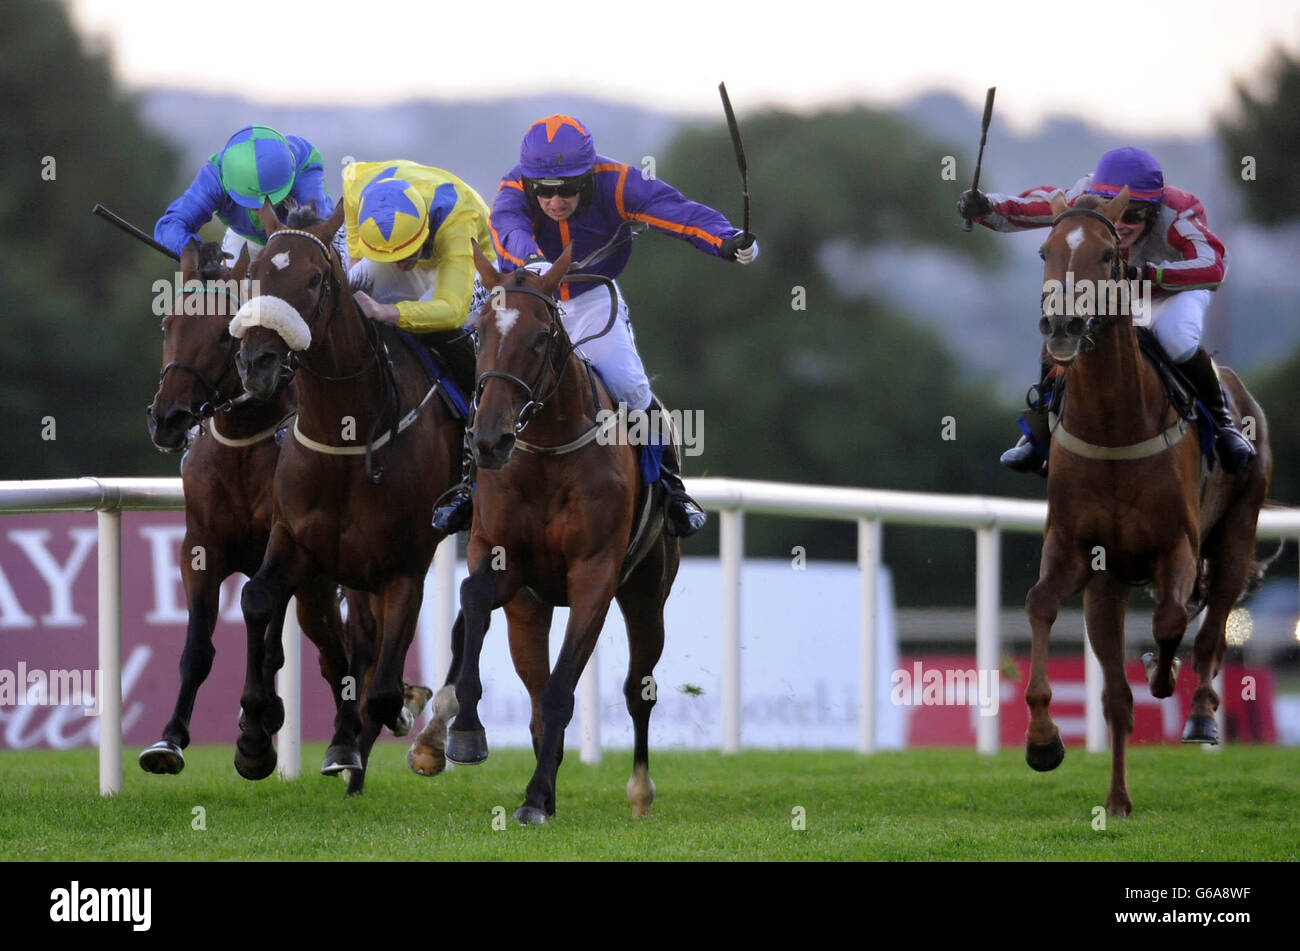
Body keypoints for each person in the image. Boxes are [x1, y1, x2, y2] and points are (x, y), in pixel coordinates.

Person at [431, 114, 758, 537]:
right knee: (490, 383)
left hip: (588, 298)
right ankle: (466, 486)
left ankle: (671, 486)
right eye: (544, 191)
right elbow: (506, 227)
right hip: (525, 301)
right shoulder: (513, 188)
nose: (555, 200)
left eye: (567, 188)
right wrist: (532, 260)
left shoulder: (619, 182)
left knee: (629, 384)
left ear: (588, 176)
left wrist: (725, 239)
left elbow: (677, 212)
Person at [958, 146, 1255, 475]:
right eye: (1113, 213)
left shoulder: (1180, 213)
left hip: (1174, 287)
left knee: (1176, 338)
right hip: (1114, 283)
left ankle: (1224, 424)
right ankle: (1038, 434)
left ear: (1155, 210)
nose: (1122, 224)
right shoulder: (1083, 196)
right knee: (1060, 328)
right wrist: (985, 207)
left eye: (1134, 215)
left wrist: (1151, 275)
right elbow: (1035, 206)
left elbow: (1214, 265)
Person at [342, 159, 491, 400]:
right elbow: (349, 191)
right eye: (395, 259)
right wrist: (356, 258)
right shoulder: (357, 183)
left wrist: (388, 311)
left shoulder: (457, 221)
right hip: (413, 243)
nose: (400, 266)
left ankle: (476, 406)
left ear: (424, 230)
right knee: (348, 300)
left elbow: (452, 309)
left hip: (472, 262)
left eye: (406, 255)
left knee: (435, 329)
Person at [155, 124, 341, 276]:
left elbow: (316, 235)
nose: (261, 208)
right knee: (223, 306)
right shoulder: (215, 177)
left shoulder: (304, 163)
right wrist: (193, 249)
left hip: (307, 237)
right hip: (245, 239)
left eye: (271, 199)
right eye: (251, 202)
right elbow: (169, 225)